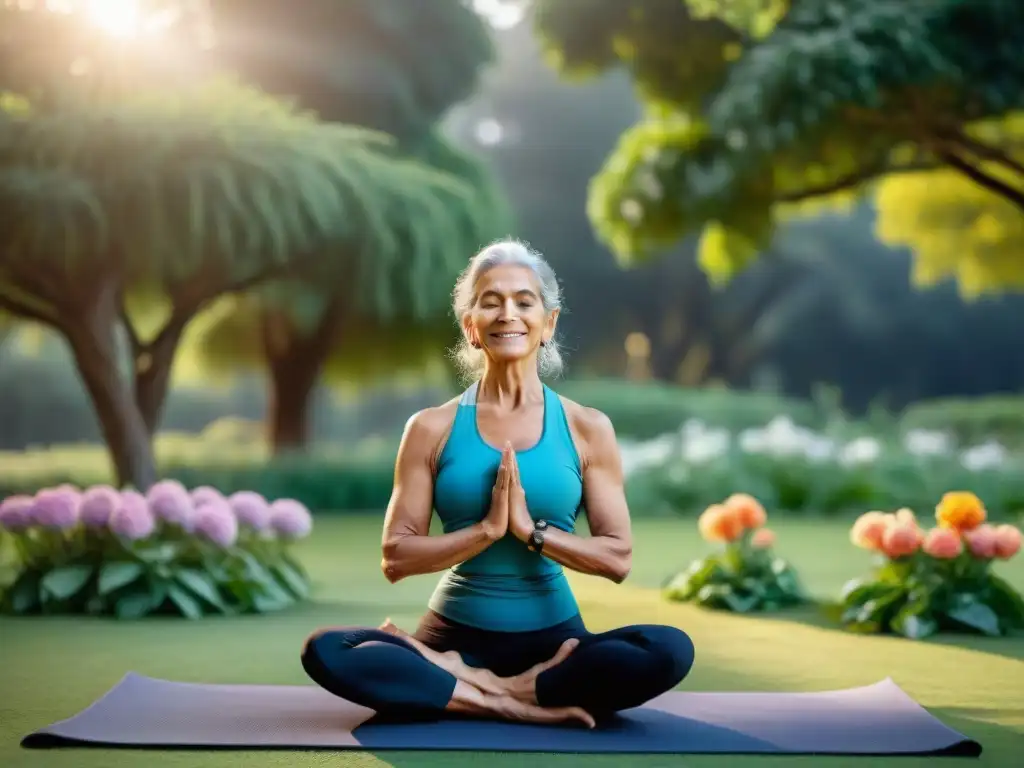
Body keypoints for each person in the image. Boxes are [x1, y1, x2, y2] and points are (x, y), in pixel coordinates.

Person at [300, 239, 695, 728]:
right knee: (326, 650)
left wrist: (531, 531)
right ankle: (506, 700)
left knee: (668, 649)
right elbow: (395, 557)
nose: (508, 313)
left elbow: (617, 558)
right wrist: (485, 532)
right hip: (451, 637)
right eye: (491, 301)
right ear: (471, 327)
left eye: (524, 301)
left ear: (547, 323)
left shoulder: (587, 427)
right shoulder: (430, 428)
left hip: (555, 641)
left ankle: (466, 689)